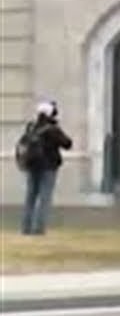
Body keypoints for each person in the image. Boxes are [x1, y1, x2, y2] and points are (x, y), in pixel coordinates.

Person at [16, 101, 72, 236]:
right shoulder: (52, 129)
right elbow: (67, 143)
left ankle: (26, 227)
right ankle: (38, 228)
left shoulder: (31, 127)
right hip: (48, 167)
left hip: (31, 166)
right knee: (44, 198)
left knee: (30, 197)